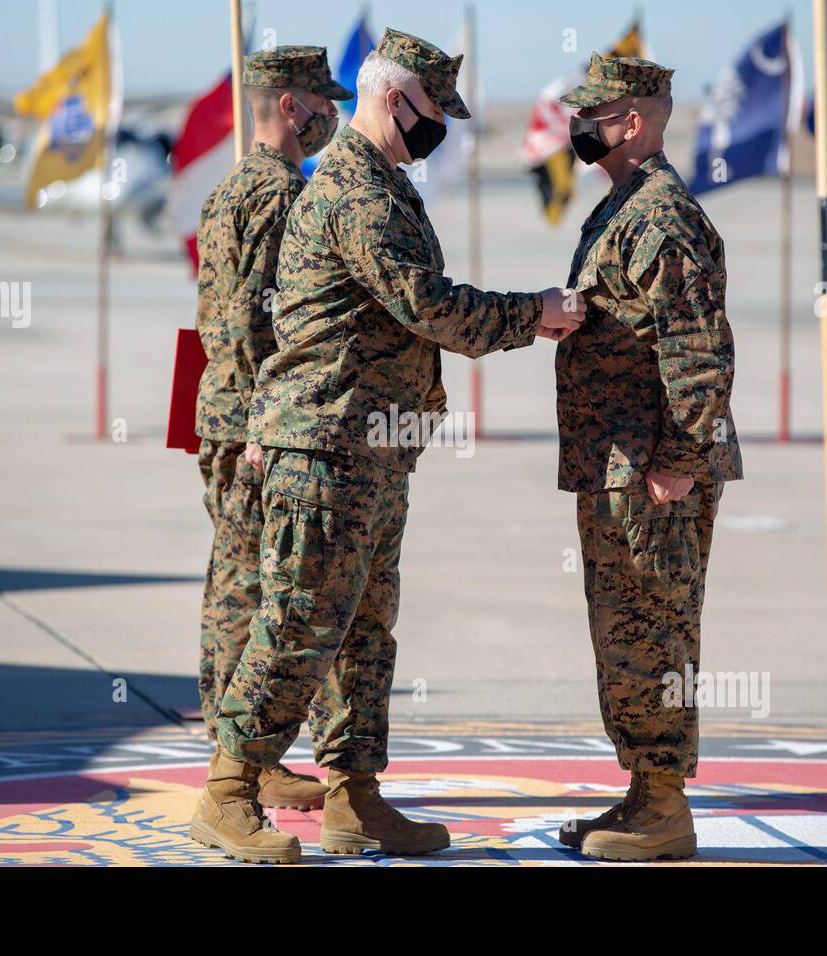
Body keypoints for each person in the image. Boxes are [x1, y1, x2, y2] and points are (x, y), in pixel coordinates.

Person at [190, 28, 581, 864]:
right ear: (395, 98)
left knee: (365, 631)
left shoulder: (385, 186)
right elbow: (428, 304)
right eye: (435, 108)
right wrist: (532, 313)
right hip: (326, 444)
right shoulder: (356, 192)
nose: (441, 124)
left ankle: (354, 795)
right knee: (299, 620)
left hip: (372, 449)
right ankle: (228, 789)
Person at [552, 53, 743, 861]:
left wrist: (681, 459)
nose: (576, 130)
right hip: (616, 464)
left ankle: (664, 805)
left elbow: (701, 354)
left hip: (652, 472)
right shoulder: (623, 207)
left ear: (631, 122)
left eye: (590, 117)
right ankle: (643, 792)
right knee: (624, 634)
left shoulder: (660, 215)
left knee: (654, 634)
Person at [193, 45, 350, 812]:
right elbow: (265, 318)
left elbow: (210, 315)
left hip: (216, 406)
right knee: (261, 591)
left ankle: (240, 749)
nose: (332, 118)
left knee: (236, 580)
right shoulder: (284, 195)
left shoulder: (227, 190)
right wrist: (267, 421)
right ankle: (244, 758)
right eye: (324, 104)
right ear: (291, 106)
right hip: (257, 417)